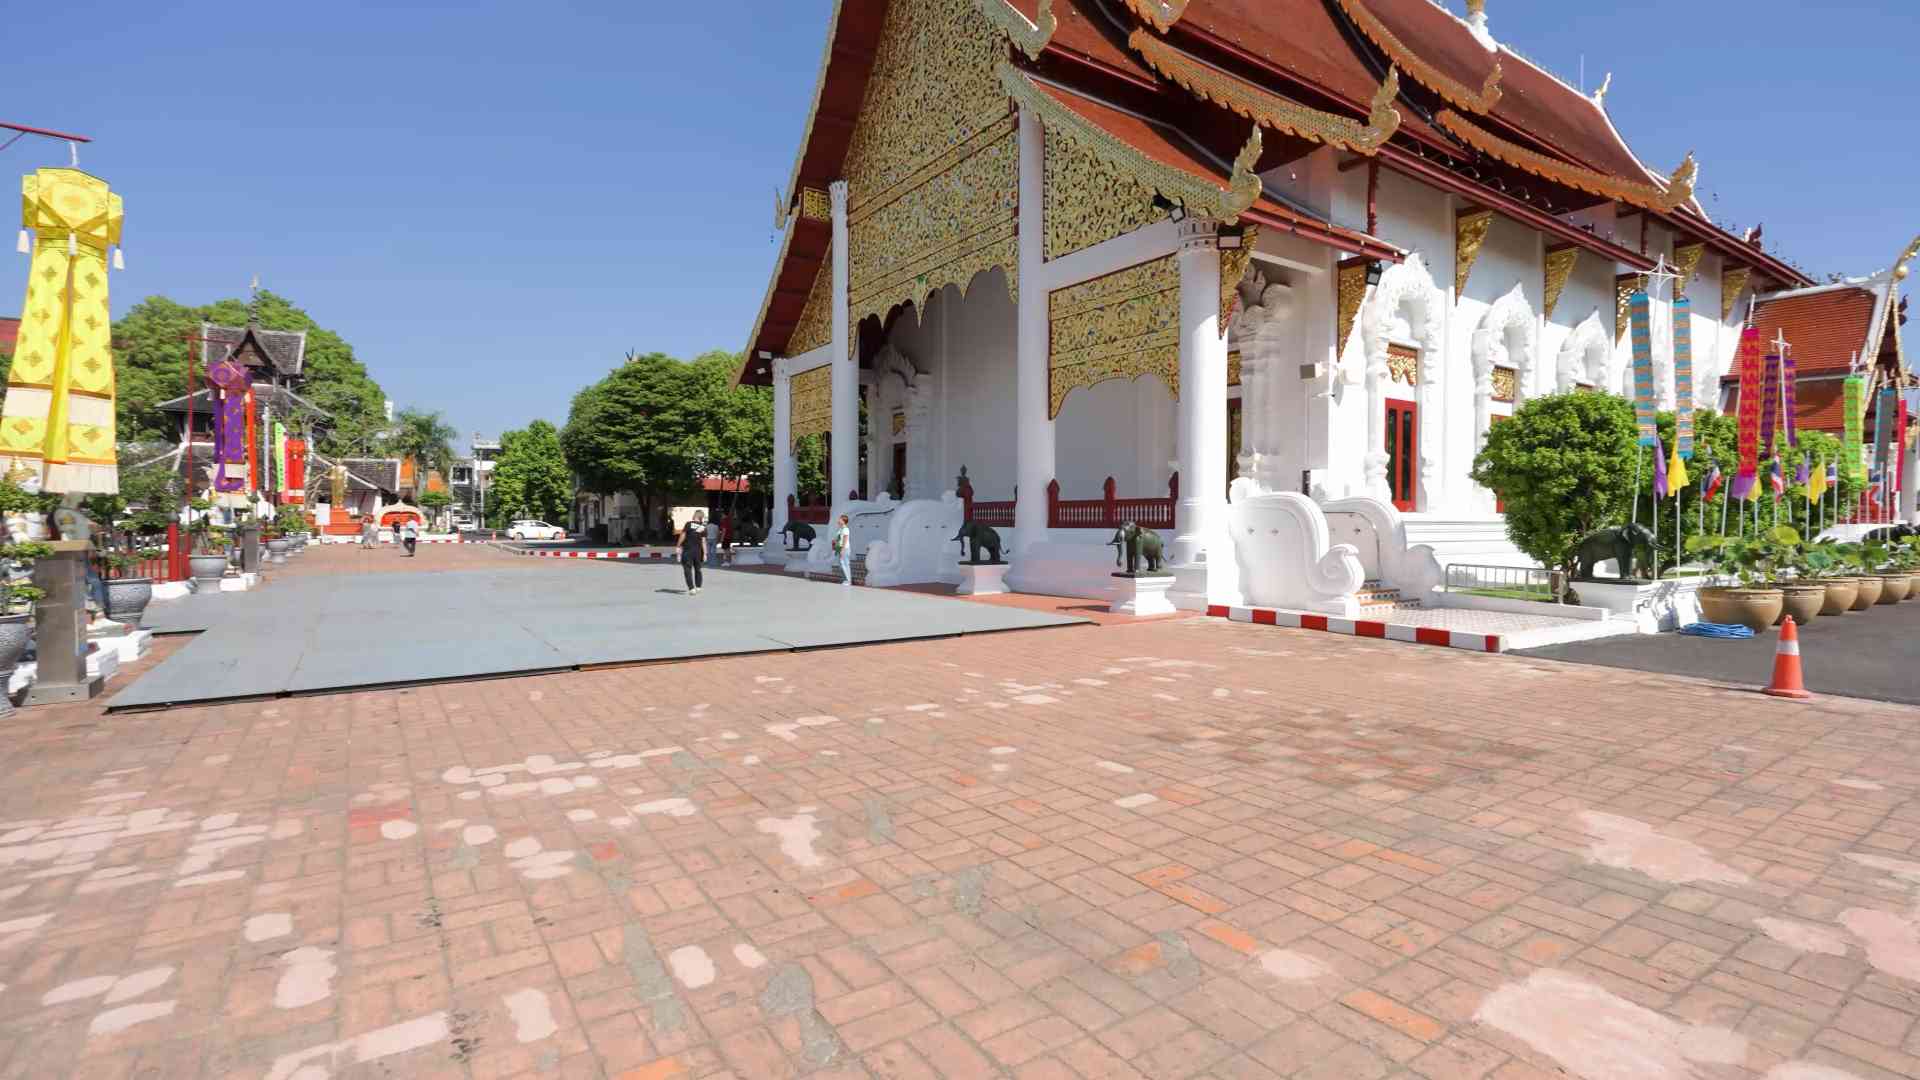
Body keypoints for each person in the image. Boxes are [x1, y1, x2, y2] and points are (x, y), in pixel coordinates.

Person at [680, 510, 707, 594]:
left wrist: (678, 545)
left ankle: (691, 588)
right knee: (698, 569)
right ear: (701, 517)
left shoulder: (688, 524)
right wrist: (705, 554)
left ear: (695, 516)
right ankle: (698, 587)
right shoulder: (703, 527)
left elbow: (683, 535)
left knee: (687, 569)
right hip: (698, 552)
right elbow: (703, 541)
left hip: (688, 550)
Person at [832, 513, 852, 587]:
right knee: (842, 564)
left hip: (845, 548)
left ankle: (848, 580)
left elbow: (845, 539)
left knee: (845, 564)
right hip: (840, 548)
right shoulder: (841, 529)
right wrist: (835, 542)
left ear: (843, 521)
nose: (838, 520)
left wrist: (842, 549)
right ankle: (845, 579)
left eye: (840, 519)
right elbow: (838, 538)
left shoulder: (846, 529)